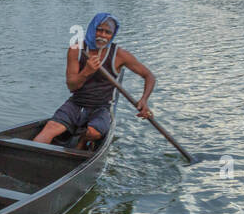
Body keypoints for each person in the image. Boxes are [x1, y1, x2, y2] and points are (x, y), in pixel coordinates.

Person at [33, 12, 155, 148]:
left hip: (101, 107)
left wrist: (144, 99)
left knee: (94, 133)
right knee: (49, 129)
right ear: (92, 28)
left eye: (107, 32)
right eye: (99, 29)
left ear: (112, 35)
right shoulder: (76, 49)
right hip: (77, 103)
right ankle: (29, 158)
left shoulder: (120, 55)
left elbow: (149, 76)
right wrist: (86, 72)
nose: (102, 35)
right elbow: (71, 86)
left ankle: (82, 141)